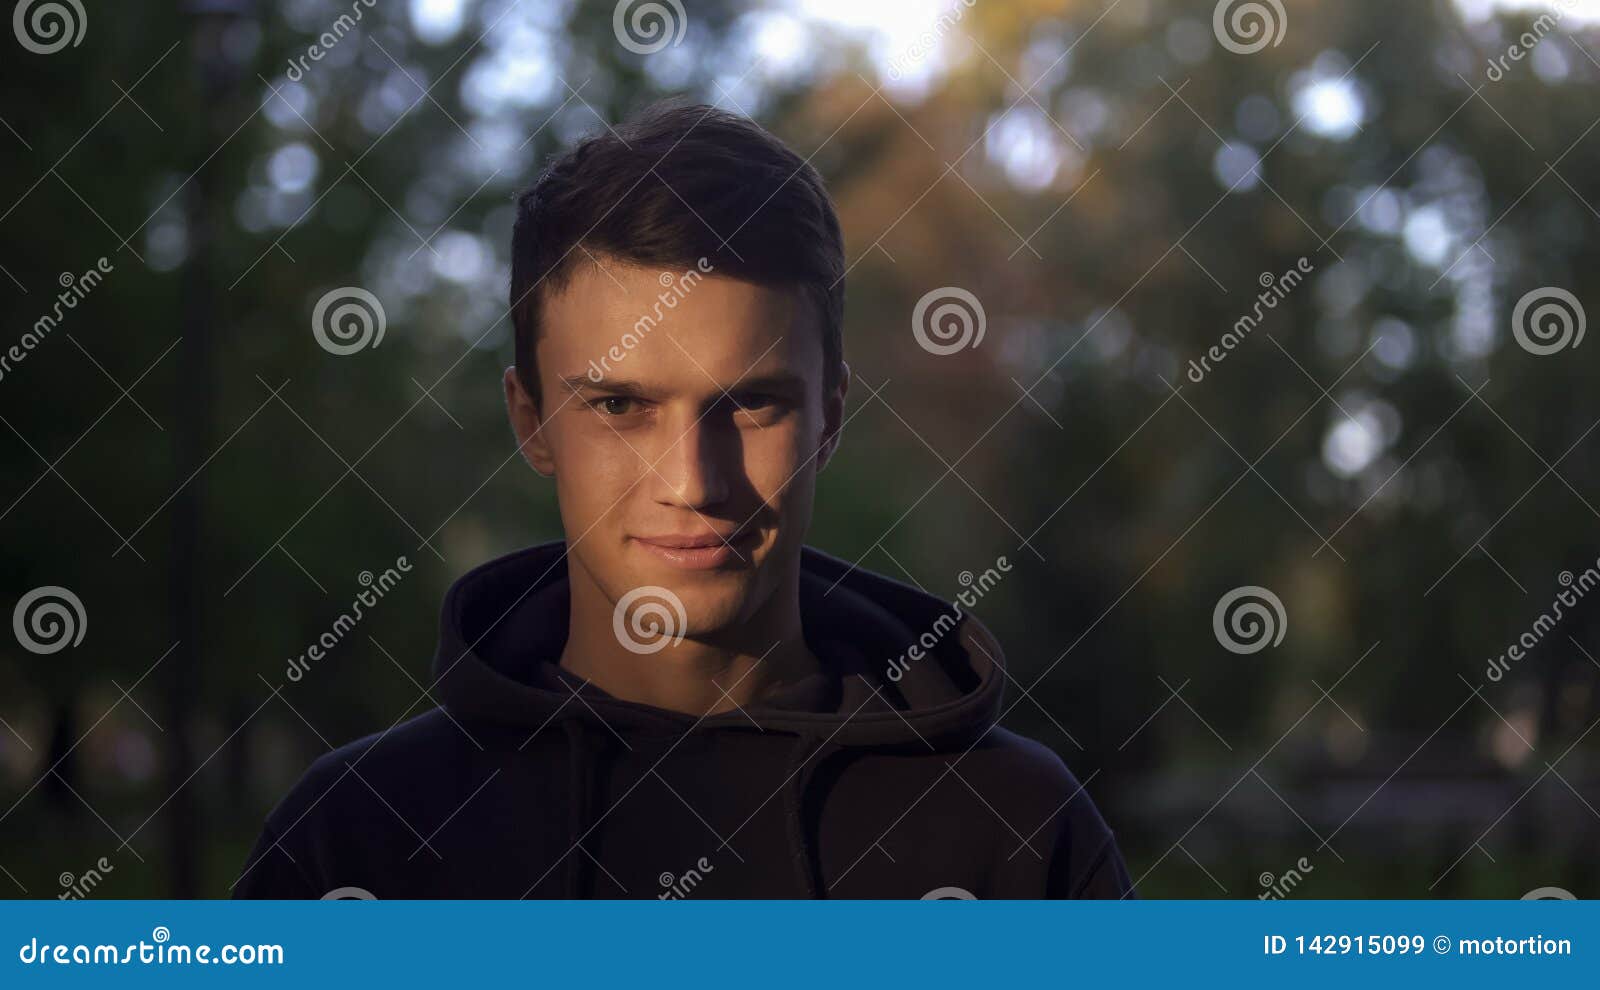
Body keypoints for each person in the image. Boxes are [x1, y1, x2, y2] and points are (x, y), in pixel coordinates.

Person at [236, 101, 1132, 899]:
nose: (694, 483)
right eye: (620, 406)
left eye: (751, 403)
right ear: (532, 419)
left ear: (830, 417)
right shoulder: (361, 841)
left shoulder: (1018, 834)